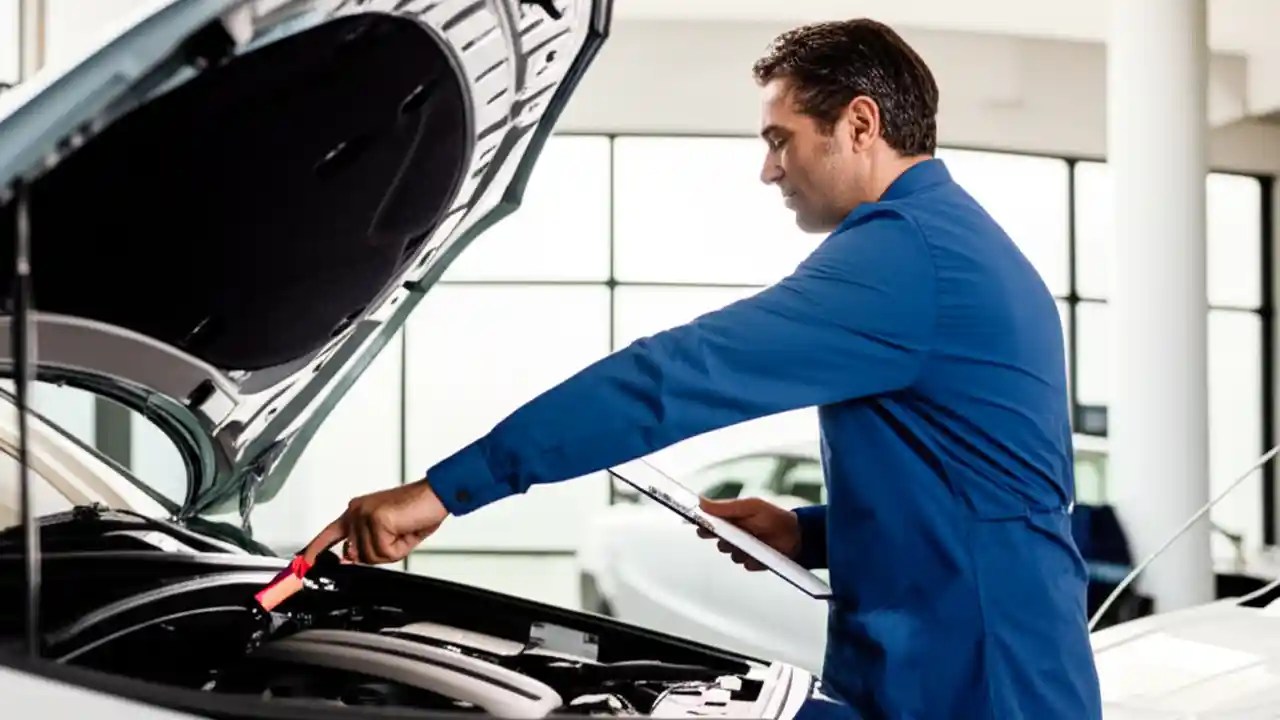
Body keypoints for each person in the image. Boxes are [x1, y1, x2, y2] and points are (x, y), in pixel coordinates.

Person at [307, 18, 1103, 720]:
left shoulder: (908, 256)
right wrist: (805, 532)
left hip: (980, 687)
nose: (770, 170)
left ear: (860, 124)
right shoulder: (947, 243)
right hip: (962, 667)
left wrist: (447, 488)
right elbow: (982, 491)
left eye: (780, 139)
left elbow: (674, 378)